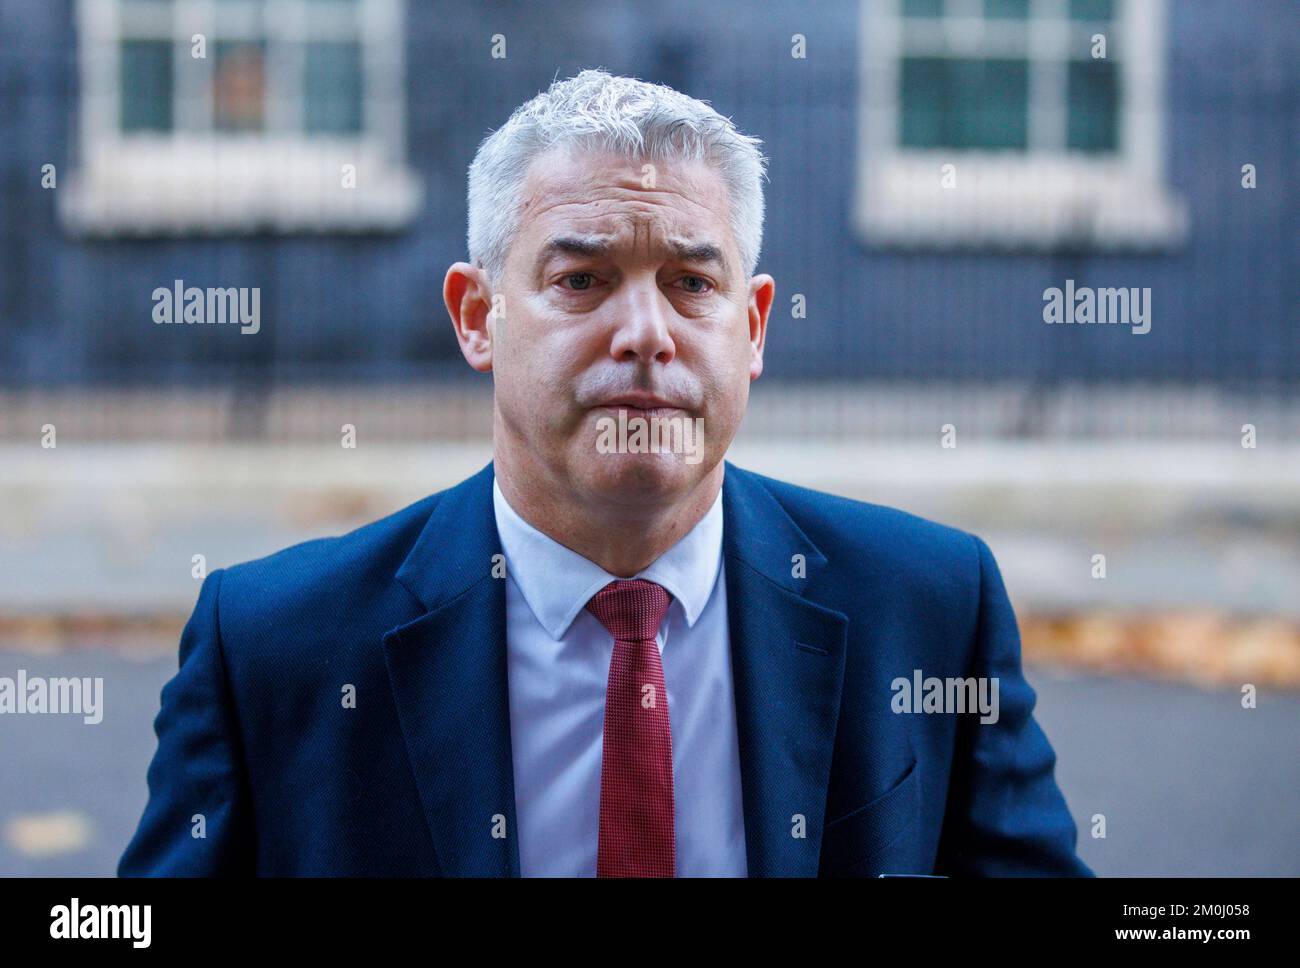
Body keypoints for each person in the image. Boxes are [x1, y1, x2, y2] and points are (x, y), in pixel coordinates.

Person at [119, 69, 1091, 877]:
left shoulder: (925, 607)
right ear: (475, 314)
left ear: (751, 326)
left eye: (690, 283)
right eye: (580, 280)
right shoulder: (276, 647)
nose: (644, 335)